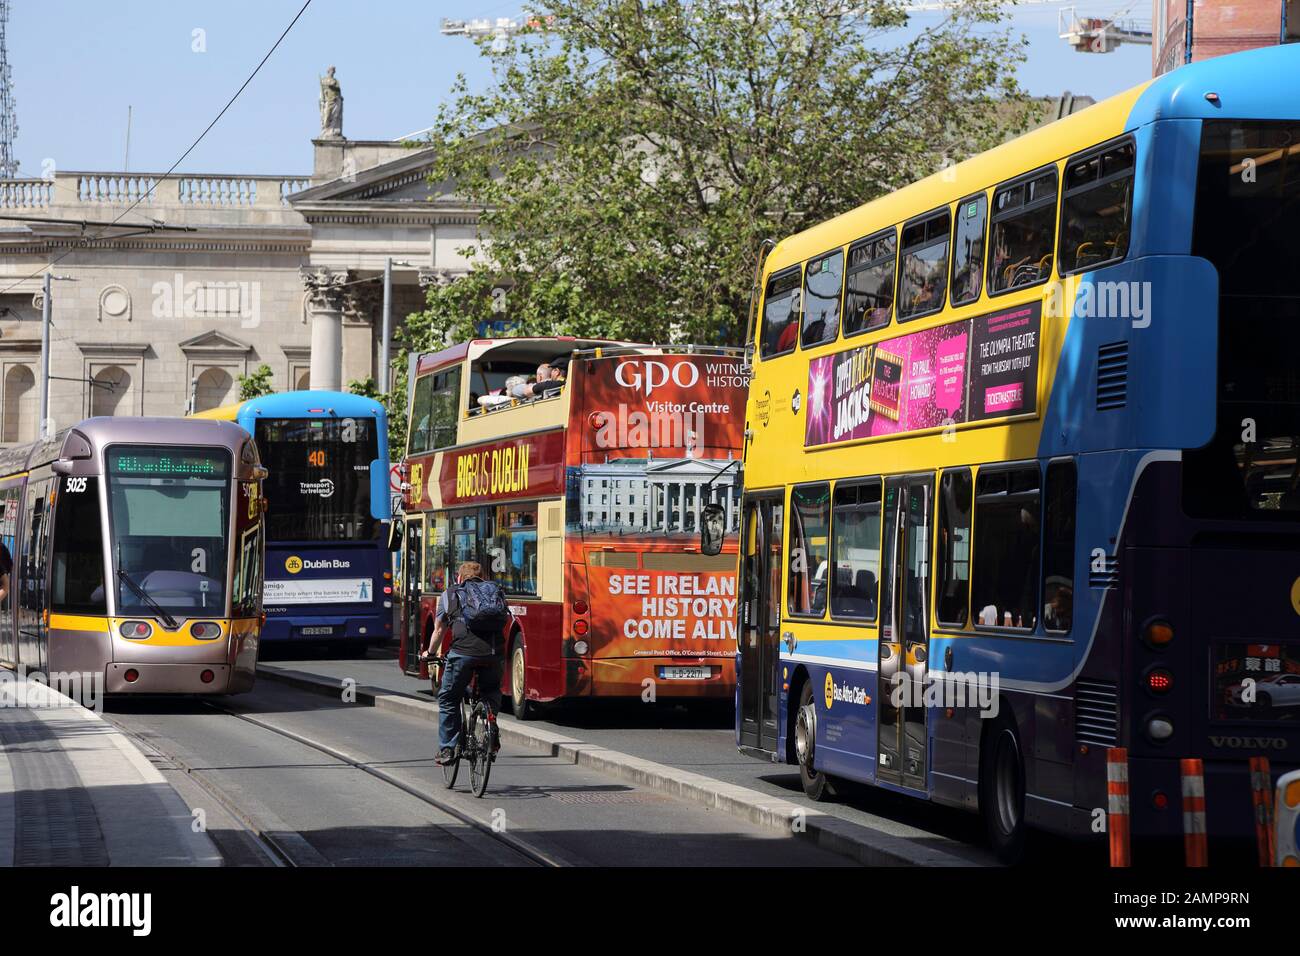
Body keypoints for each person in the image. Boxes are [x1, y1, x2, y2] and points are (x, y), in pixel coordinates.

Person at [421, 561, 506, 765]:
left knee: (449, 698)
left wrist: (429, 653)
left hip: (463, 653)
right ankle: (491, 727)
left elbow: (439, 630)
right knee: (491, 691)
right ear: (483, 577)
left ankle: (448, 749)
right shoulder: (495, 592)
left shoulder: (450, 594)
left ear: (459, 578)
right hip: (494, 654)